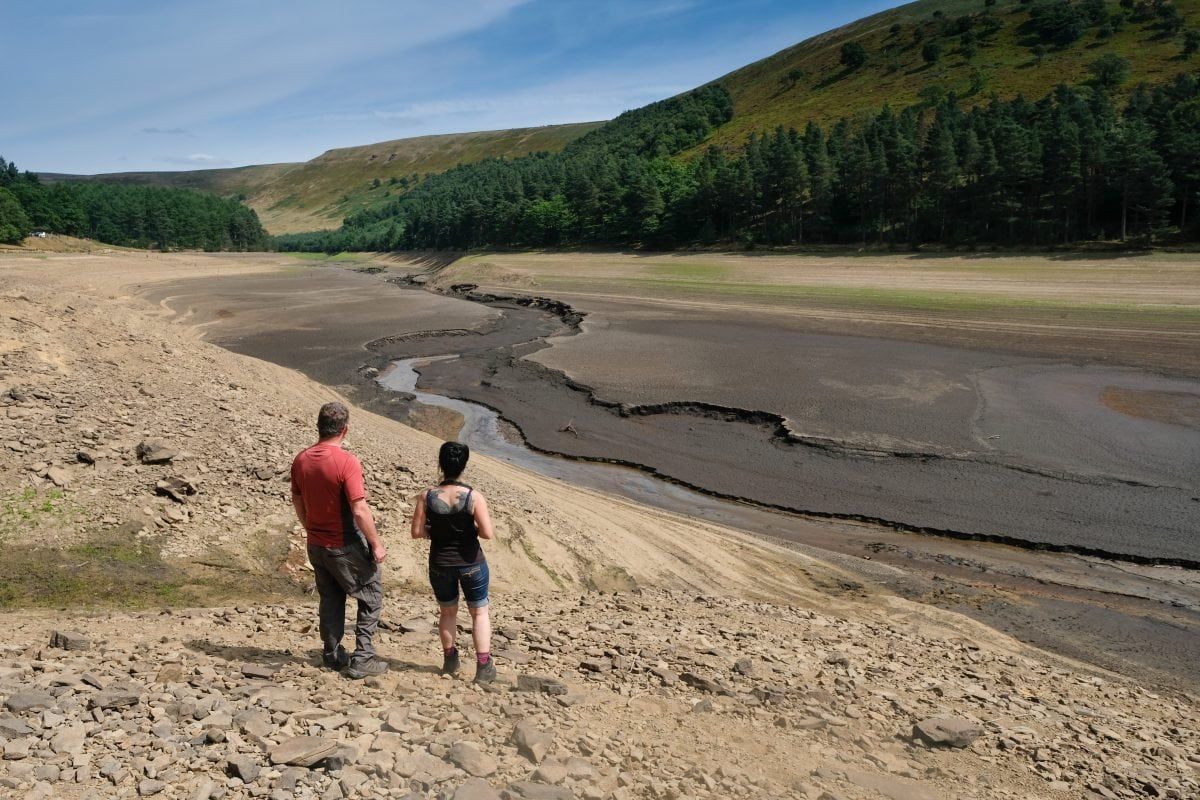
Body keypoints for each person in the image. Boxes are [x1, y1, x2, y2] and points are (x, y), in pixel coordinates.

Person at [290, 401, 388, 679]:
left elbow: (297, 499)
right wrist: (376, 544)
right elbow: (359, 508)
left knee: (331, 597)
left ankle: (332, 654)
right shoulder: (346, 461)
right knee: (370, 594)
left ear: (319, 427)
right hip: (343, 543)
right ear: (345, 430)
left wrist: (309, 526)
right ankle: (364, 657)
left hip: (316, 544)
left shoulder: (302, 459)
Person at [410, 441, 496, 682]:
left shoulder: (426, 496)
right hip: (471, 562)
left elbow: (417, 532)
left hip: (440, 563)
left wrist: (434, 531)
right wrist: (472, 528)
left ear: (441, 464)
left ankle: (450, 659)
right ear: (464, 465)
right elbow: (487, 533)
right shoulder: (473, 497)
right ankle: (483, 666)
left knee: (448, 612)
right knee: (479, 613)